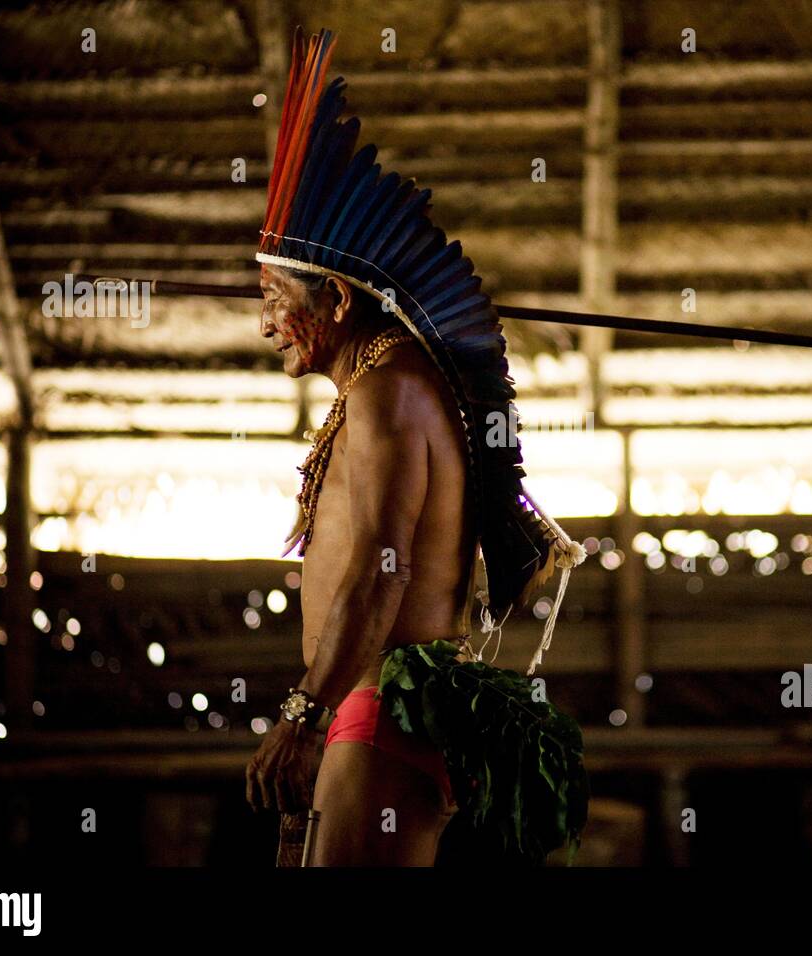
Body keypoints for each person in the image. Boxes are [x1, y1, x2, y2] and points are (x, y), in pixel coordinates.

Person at [242, 27, 589, 867]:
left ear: (333, 298)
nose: (262, 325)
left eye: (271, 296)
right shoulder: (380, 386)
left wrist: (304, 714)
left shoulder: (390, 391)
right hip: (363, 715)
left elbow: (380, 568)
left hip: (377, 717)